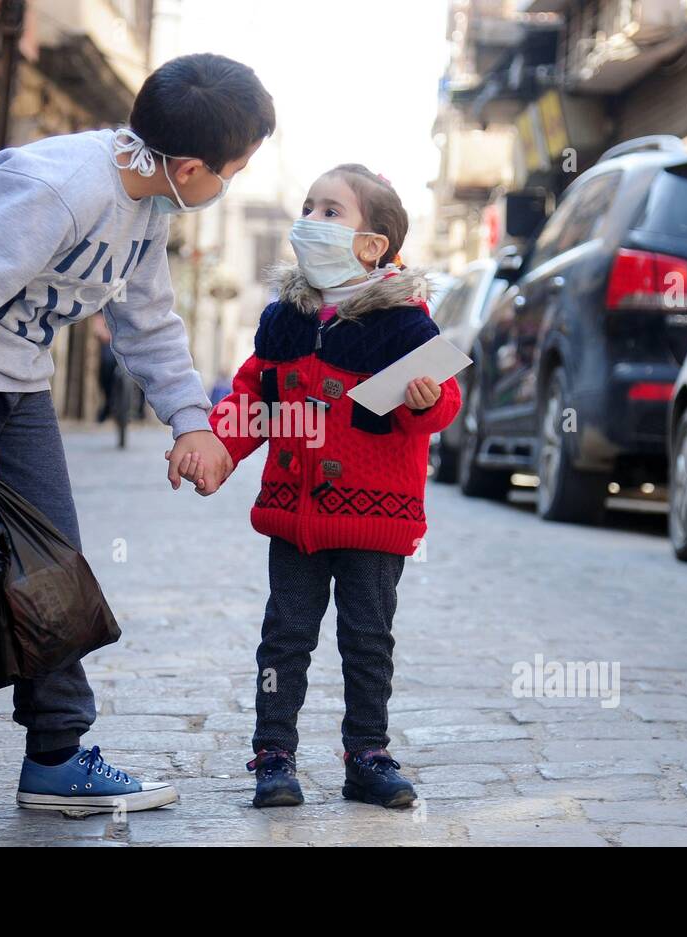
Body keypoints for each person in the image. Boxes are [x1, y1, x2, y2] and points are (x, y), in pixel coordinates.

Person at [0, 53, 275, 824]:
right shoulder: (59, 189)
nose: (228, 188)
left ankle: (55, 755)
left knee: (51, 563)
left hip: (16, 375)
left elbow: (148, 323)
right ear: (189, 166)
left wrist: (191, 420)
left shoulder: (150, 208)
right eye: (232, 173)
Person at [183, 165, 461, 808]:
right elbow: (254, 393)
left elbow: (444, 401)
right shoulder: (285, 319)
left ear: (373, 244)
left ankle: (367, 754)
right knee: (285, 637)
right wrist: (219, 448)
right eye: (308, 206)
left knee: (367, 638)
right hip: (293, 518)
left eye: (332, 210)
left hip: (374, 523)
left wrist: (421, 401)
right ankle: (273, 755)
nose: (312, 218)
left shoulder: (404, 323)